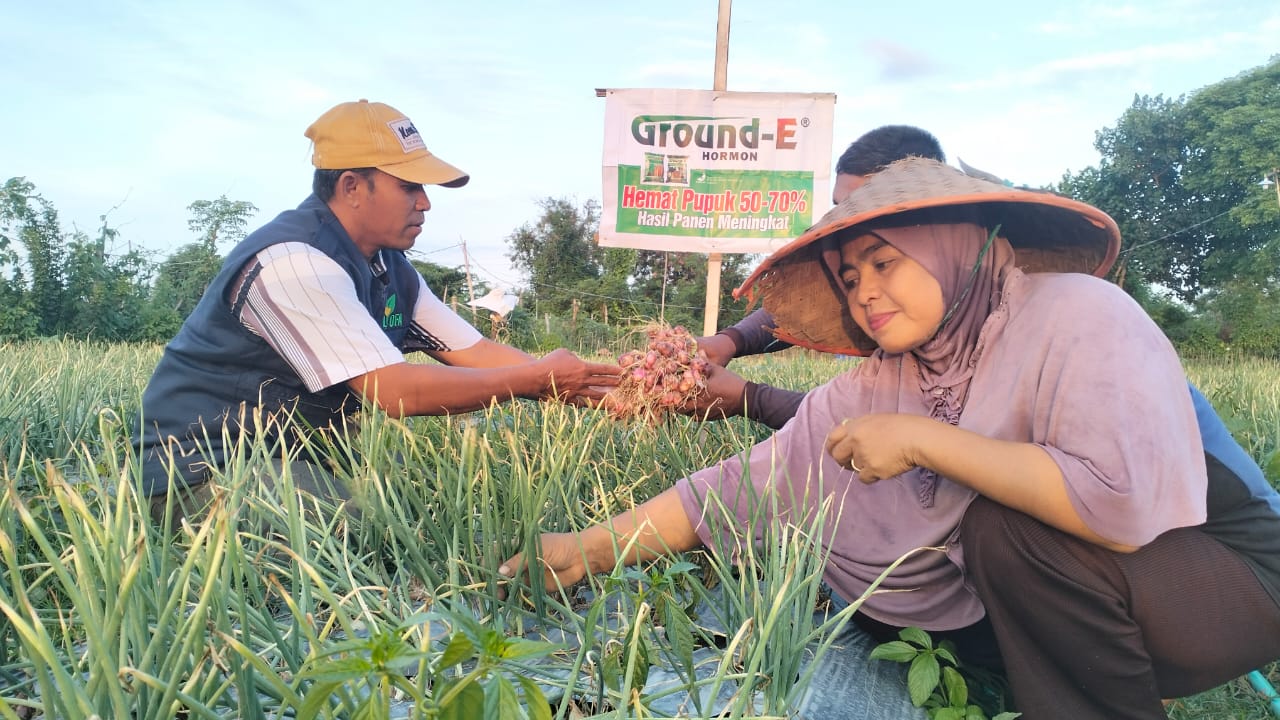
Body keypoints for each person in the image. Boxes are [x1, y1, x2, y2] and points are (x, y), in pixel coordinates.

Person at [503, 157, 1280, 718]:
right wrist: (589, 547)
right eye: (849, 277)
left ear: (956, 243)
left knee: (1000, 529)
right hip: (1106, 586)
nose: (866, 291)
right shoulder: (894, 373)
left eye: (884, 262)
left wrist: (923, 442)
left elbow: (1117, 506)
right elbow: (755, 478)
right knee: (860, 576)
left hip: (1229, 577)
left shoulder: (1079, 315)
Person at [137, 99, 620, 523]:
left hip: (291, 460)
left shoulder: (390, 269)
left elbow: (476, 352)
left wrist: (606, 388)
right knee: (357, 530)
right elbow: (394, 392)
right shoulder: (295, 262)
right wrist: (539, 380)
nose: (426, 203)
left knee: (424, 512)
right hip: (204, 470)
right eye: (410, 185)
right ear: (351, 187)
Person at [691, 125, 946, 428]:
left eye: (865, 208)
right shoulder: (864, 284)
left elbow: (884, 429)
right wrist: (729, 341)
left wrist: (750, 399)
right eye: (842, 209)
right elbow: (808, 308)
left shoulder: (1001, 329)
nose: (848, 225)